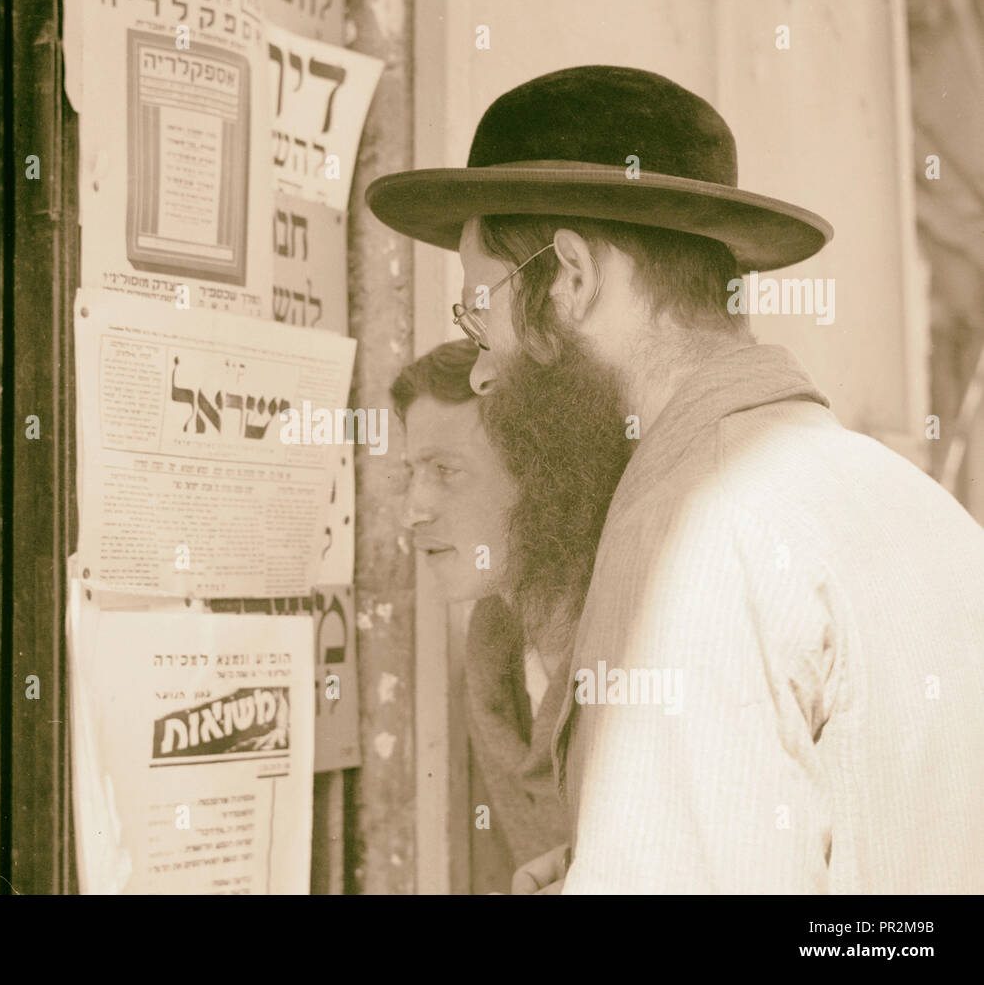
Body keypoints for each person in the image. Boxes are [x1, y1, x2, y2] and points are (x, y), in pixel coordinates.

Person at [368, 64, 984, 893]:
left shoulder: (687, 539)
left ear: (571, 281)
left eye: (481, 313)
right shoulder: (912, 500)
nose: (481, 372)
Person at [391, 339, 574, 890]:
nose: (413, 512)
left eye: (446, 470)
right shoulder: (492, 642)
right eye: (412, 473)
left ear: (537, 476)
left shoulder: (630, 634)